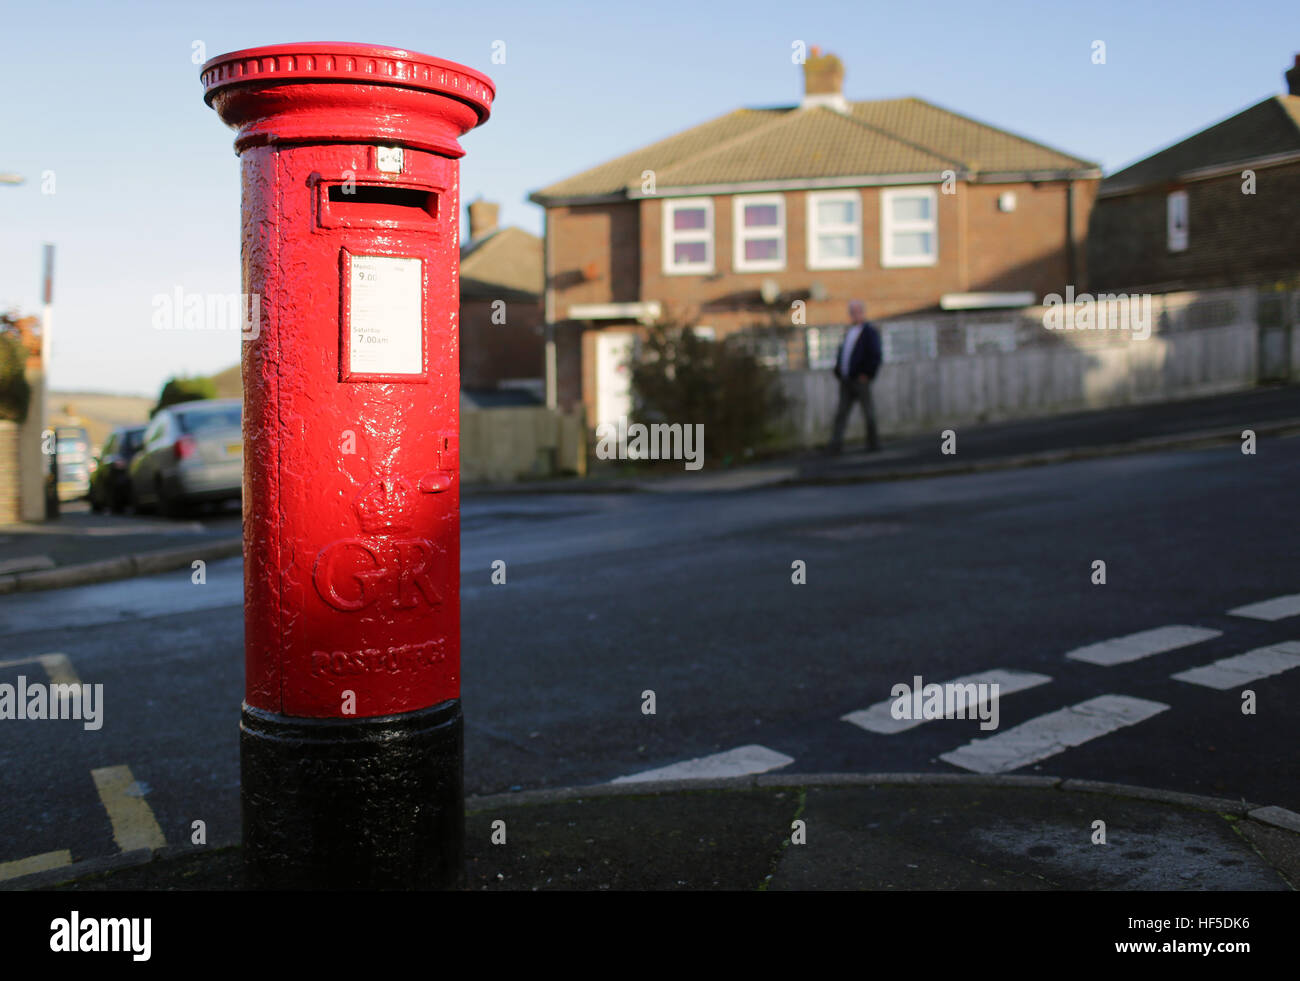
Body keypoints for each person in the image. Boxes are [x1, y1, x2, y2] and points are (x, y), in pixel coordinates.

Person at [828, 299, 882, 454]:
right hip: (846, 380)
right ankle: (835, 445)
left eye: (857, 311)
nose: (854, 315)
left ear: (862, 313)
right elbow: (844, 354)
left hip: (860, 380)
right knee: (841, 413)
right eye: (852, 312)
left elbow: (875, 355)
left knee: (868, 412)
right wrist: (838, 371)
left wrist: (867, 373)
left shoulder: (869, 332)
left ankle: (873, 443)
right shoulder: (849, 332)